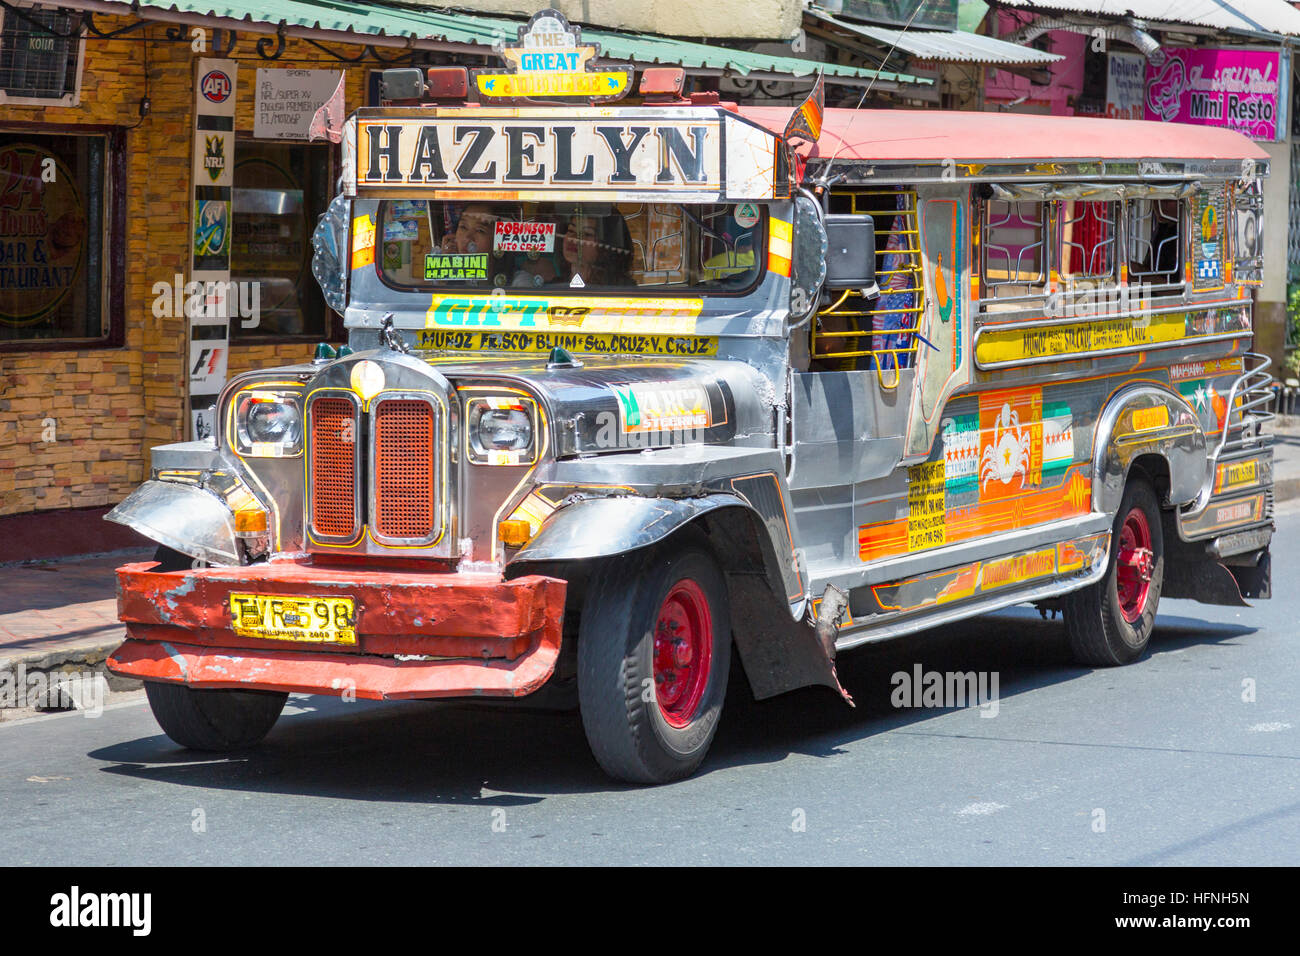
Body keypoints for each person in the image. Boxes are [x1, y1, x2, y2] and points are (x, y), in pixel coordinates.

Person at [559, 210, 633, 287]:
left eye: (587, 234)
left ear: (606, 246)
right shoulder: (553, 285)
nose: (573, 238)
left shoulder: (623, 289)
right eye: (570, 230)